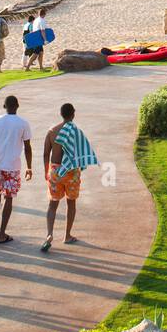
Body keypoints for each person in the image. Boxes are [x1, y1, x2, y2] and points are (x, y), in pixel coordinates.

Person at [40, 102, 98, 252]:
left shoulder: (52, 131)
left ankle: (49, 234)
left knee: (52, 204)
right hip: (71, 172)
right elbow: (81, 151)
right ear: (73, 114)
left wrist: (47, 171)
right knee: (71, 203)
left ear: (61, 114)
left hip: (54, 171)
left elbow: (46, 153)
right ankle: (67, 235)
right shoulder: (76, 131)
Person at [0, 96, 33, 244]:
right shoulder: (23, 123)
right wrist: (29, 167)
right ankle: (2, 234)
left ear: (4, 106)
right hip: (12, 166)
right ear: (17, 106)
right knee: (9, 197)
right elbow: (27, 147)